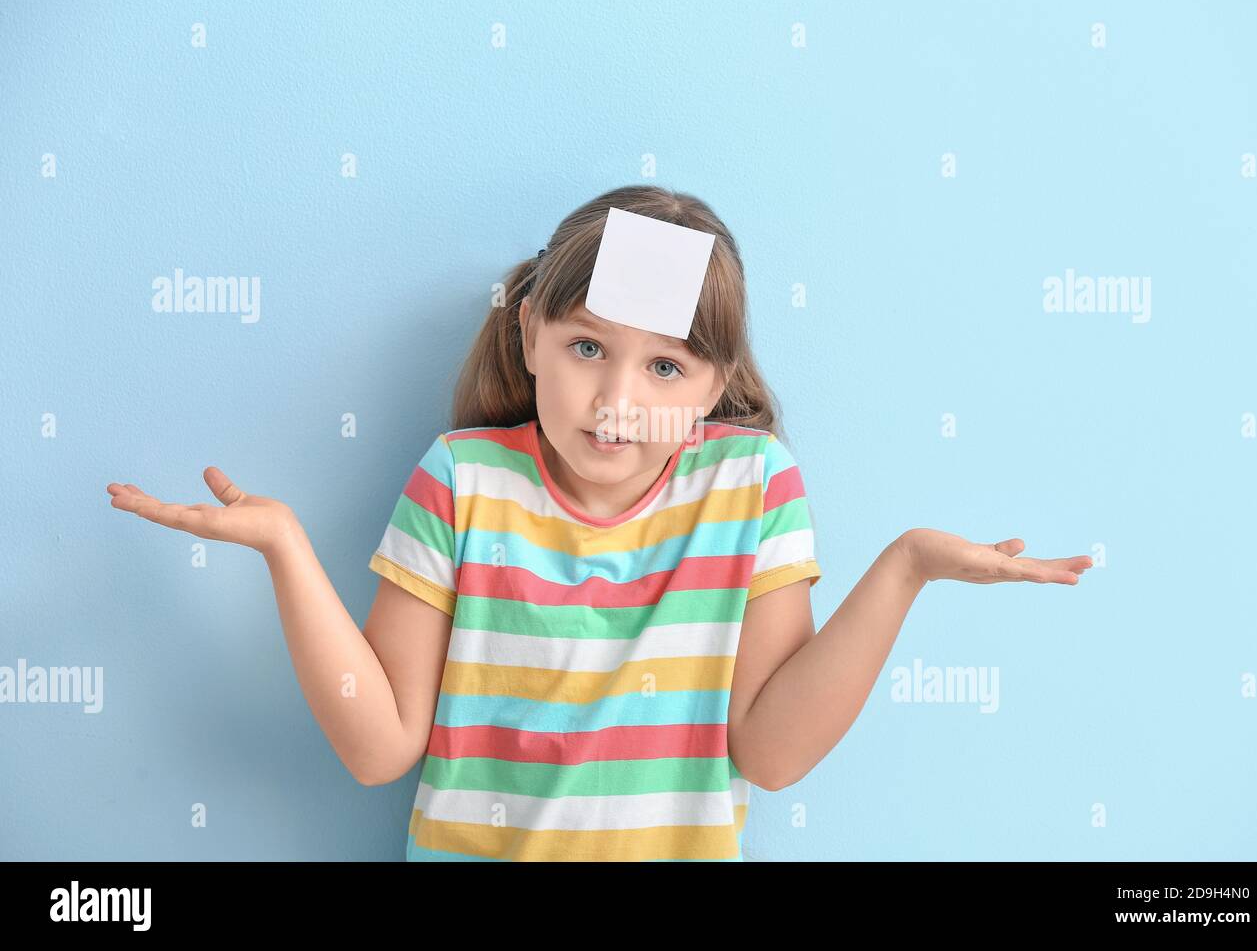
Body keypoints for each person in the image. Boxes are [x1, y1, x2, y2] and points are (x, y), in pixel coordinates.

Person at [106, 183, 1093, 861]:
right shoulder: (462, 481)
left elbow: (772, 753)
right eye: (586, 345)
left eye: (664, 365)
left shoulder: (752, 485)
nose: (616, 398)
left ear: (717, 386)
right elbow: (378, 746)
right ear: (531, 332)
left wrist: (905, 567)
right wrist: (286, 548)